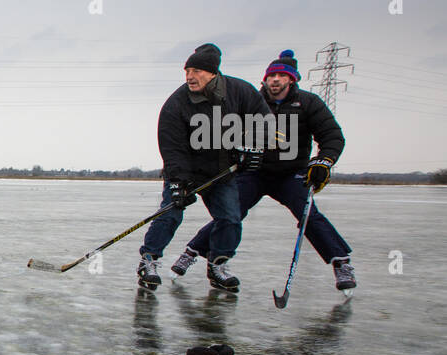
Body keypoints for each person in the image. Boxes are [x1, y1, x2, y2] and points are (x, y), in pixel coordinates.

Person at [170, 50, 356, 292]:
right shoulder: (250, 101)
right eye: (271, 76)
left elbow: (332, 136)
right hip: (254, 172)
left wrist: (324, 161)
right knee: (230, 214)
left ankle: (340, 262)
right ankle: (193, 251)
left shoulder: (308, 103)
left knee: (308, 214)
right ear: (265, 80)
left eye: (281, 75)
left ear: (292, 80)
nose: (275, 80)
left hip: (291, 174)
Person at [137, 43, 271, 292]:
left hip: (222, 171)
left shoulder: (240, 91)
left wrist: (251, 148)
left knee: (231, 218)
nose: (190, 76)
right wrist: (178, 182)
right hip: (185, 171)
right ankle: (149, 260)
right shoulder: (177, 103)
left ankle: (218, 265)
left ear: (213, 73)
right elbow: (171, 146)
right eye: (187, 71)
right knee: (170, 214)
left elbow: (263, 119)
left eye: (197, 71)